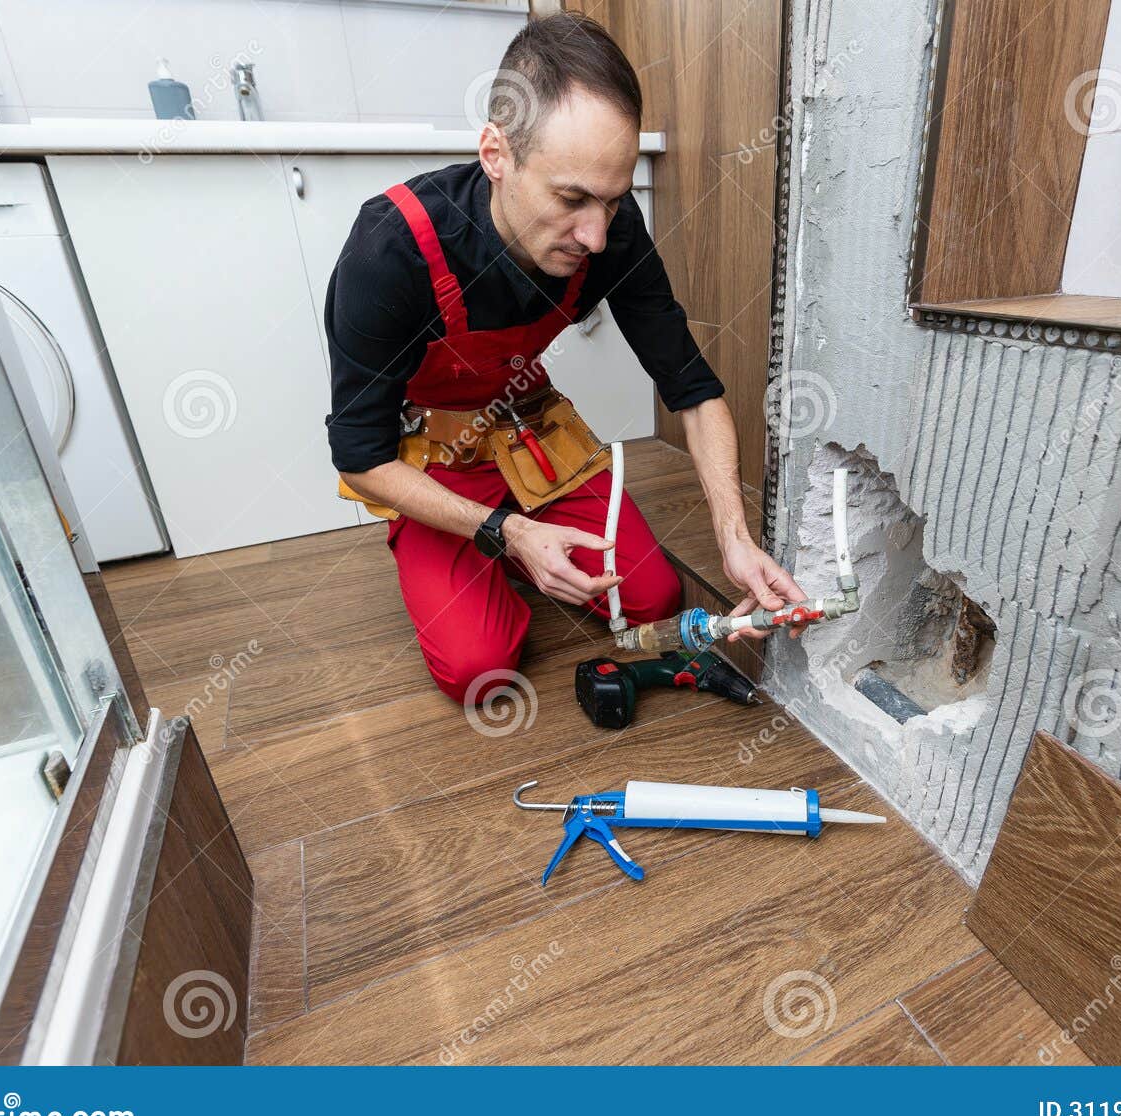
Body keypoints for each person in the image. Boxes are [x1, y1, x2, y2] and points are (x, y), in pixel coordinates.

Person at [325, 13, 804, 704]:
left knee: (654, 597)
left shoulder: (611, 232)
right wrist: (509, 533)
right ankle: (482, 550)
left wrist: (734, 537)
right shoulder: (391, 249)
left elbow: (695, 393)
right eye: (572, 198)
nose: (597, 235)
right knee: (478, 671)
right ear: (496, 153)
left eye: (612, 201)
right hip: (432, 459)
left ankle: (521, 549)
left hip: (526, 429)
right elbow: (361, 460)